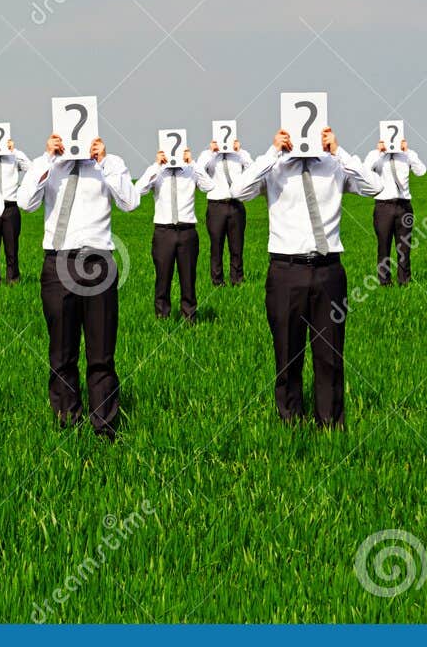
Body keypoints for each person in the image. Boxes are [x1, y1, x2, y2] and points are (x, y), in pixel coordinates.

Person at [235, 127, 381, 426]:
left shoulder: (333, 166)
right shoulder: (274, 168)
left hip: (329, 271)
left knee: (329, 356)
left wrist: (338, 151)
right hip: (285, 271)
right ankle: (291, 424)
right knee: (287, 354)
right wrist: (273, 152)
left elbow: (375, 187)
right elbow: (238, 191)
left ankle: (330, 426)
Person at [17, 135, 139, 439]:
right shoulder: (49, 166)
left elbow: (130, 202)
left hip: (98, 261)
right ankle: (67, 422)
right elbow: (25, 203)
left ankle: (105, 427)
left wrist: (104, 162)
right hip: (58, 262)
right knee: (61, 351)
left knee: (101, 352)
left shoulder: (110, 164)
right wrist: (47, 159)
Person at [135, 145, 212, 322]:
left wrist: (192, 162)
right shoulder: (158, 172)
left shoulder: (190, 171)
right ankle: (162, 317)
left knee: (188, 277)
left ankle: (190, 317)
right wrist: (156, 166)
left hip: (187, 232)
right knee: (162, 276)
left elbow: (209, 186)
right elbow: (139, 190)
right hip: (164, 232)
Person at [366, 136, 426, 285]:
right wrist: (379, 152)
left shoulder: (407, 155)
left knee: (404, 247)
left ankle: (404, 281)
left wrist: (407, 152)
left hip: (404, 206)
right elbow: (365, 171)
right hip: (383, 206)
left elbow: (421, 171)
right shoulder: (376, 156)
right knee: (383, 246)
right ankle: (384, 282)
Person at [197, 137, 252, 286]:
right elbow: (198, 171)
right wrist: (211, 152)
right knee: (216, 245)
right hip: (216, 206)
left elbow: (252, 171)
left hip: (236, 205)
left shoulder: (240, 155)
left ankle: (237, 280)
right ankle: (217, 281)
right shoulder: (207, 155)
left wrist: (239, 151)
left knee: (237, 246)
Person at [0, 135, 31, 283]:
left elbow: (30, 168)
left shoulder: (13, 157)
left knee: (12, 247)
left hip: (10, 207)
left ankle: (13, 280)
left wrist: (14, 151)